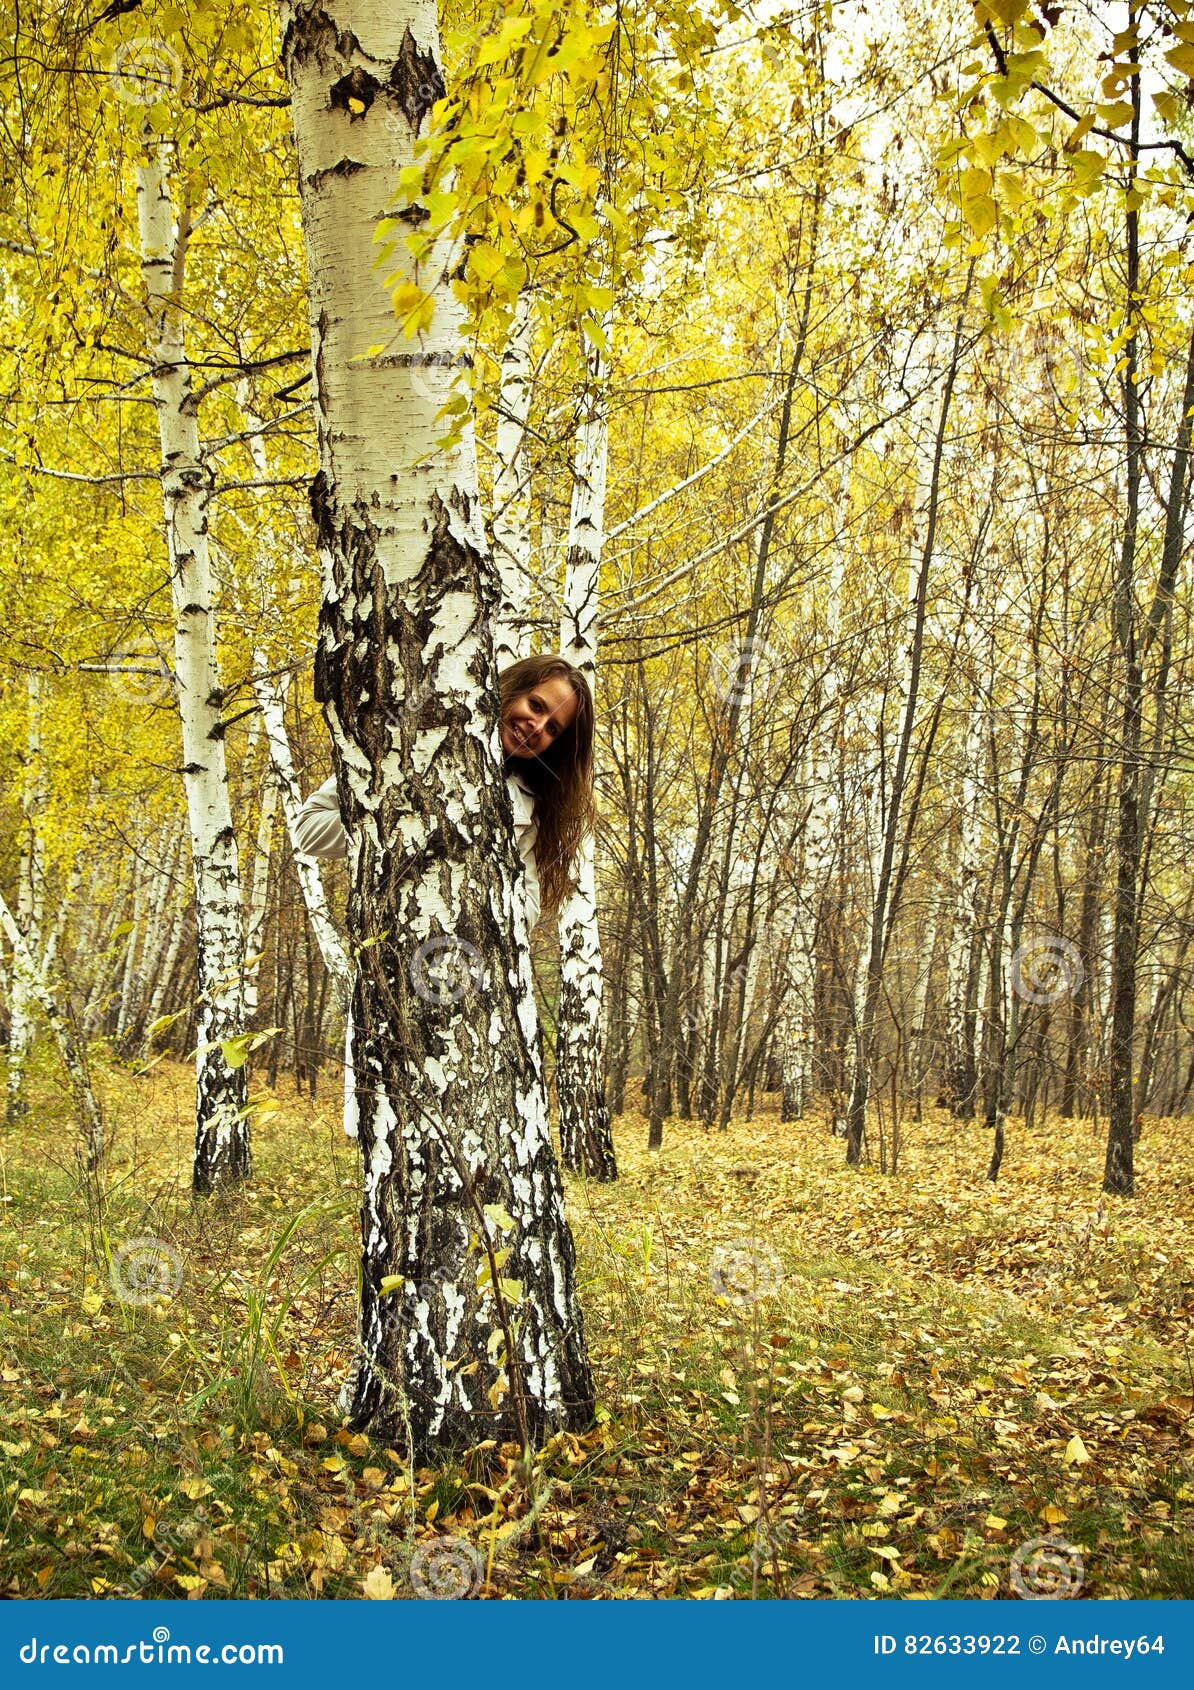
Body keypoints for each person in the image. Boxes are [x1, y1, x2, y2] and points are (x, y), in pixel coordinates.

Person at [293, 653, 596, 934]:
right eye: (536, 706)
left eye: (553, 729)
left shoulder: (527, 800)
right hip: (392, 942)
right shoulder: (417, 730)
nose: (537, 726)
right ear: (513, 688)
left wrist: (484, 880)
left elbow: (528, 910)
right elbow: (308, 830)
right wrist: (403, 826)